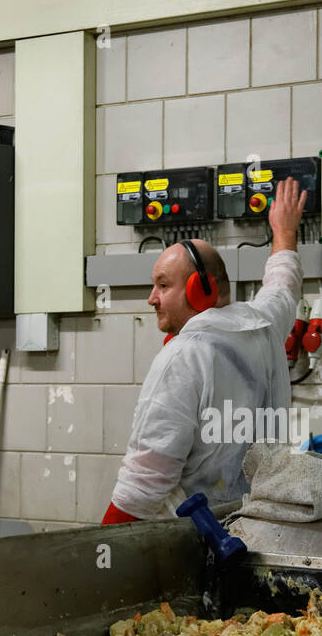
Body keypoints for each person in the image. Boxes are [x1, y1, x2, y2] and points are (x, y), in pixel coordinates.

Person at [102, 177, 308, 523]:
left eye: (163, 286)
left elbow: (142, 485)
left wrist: (100, 558)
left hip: (192, 539)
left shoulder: (182, 358)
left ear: (200, 289)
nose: (151, 299)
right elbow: (283, 286)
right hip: (254, 525)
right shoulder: (264, 326)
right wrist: (284, 231)